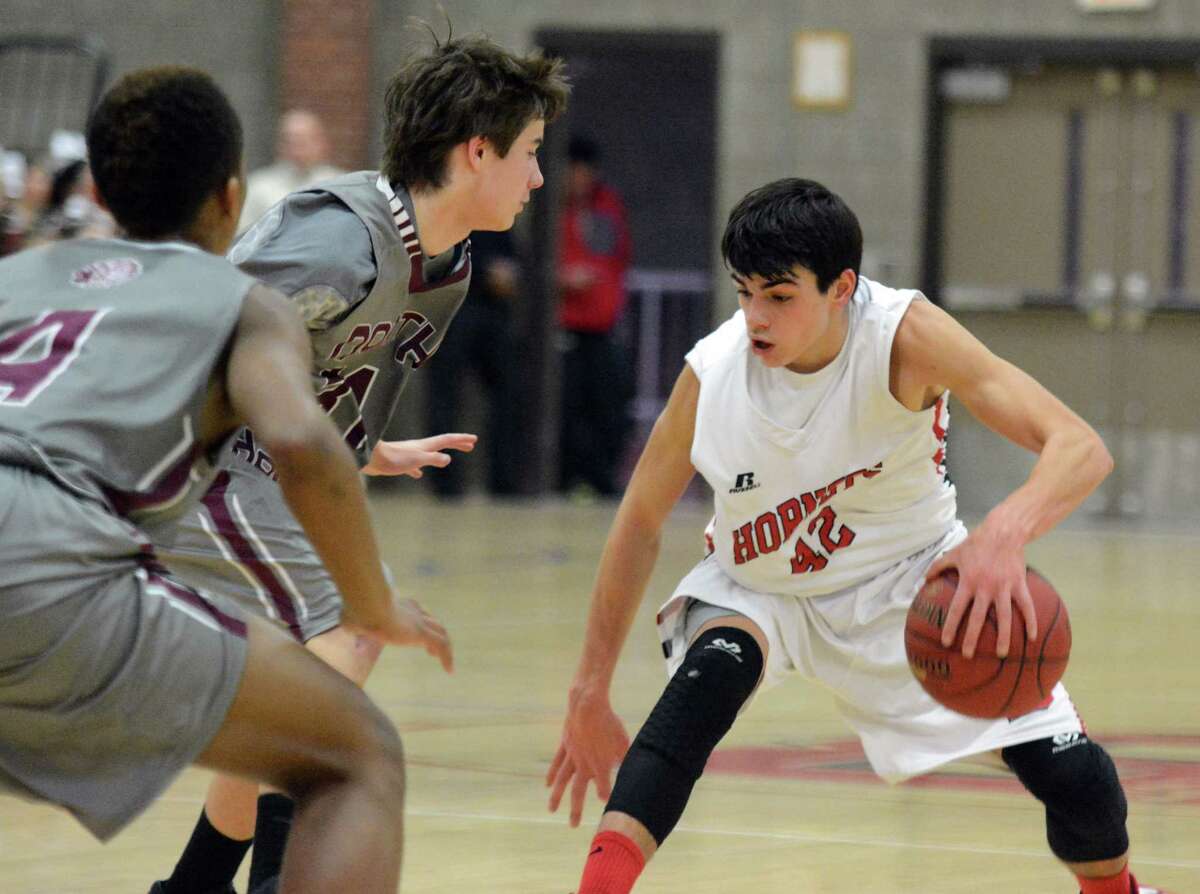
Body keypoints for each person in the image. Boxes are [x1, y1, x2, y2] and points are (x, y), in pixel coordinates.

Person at [547, 179, 1169, 894]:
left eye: (780, 296)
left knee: (1077, 780)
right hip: (762, 589)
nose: (755, 316)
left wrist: (1003, 533)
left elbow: (1079, 446)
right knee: (703, 688)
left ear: (841, 287)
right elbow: (638, 522)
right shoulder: (714, 374)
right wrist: (589, 687)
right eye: (744, 292)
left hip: (908, 585)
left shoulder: (905, 338)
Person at [0, 66, 451, 894]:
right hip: (51, 564)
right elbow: (300, 443)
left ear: (97, 190)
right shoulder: (235, 298)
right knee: (354, 756)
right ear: (232, 196)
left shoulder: (19, 276)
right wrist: (373, 605)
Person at [146, 34, 569, 894]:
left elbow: (315, 379)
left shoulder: (446, 265)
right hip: (189, 458)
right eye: (528, 153)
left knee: (301, 674)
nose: (536, 178)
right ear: (476, 151)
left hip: (268, 470)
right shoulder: (336, 242)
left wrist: (365, 448)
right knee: (350, 625)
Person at [557, 135, 633, 497]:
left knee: (610, 404)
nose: (577, 180)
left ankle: (603, 478)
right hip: (565, 325)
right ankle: (565, 478)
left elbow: (614, 257)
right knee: (566, 408)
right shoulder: (552, 210)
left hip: (602, 326)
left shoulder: (607, 207)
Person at [425, 228, 524, 497]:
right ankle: (445, 482)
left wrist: (510, 272)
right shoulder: (446, 208)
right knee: (445, 396)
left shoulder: (498, 215)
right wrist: (484, 270)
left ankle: (504, 481)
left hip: (494, 310)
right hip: (452, 308)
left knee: (508, 394)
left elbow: (513, 253)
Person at [237, 109, 343, 233]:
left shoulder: (340, 185)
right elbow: (243, 235)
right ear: (280, 145)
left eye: (304, 141)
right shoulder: (258, 187)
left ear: (322, 143)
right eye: (290, 141)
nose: (297, 149)